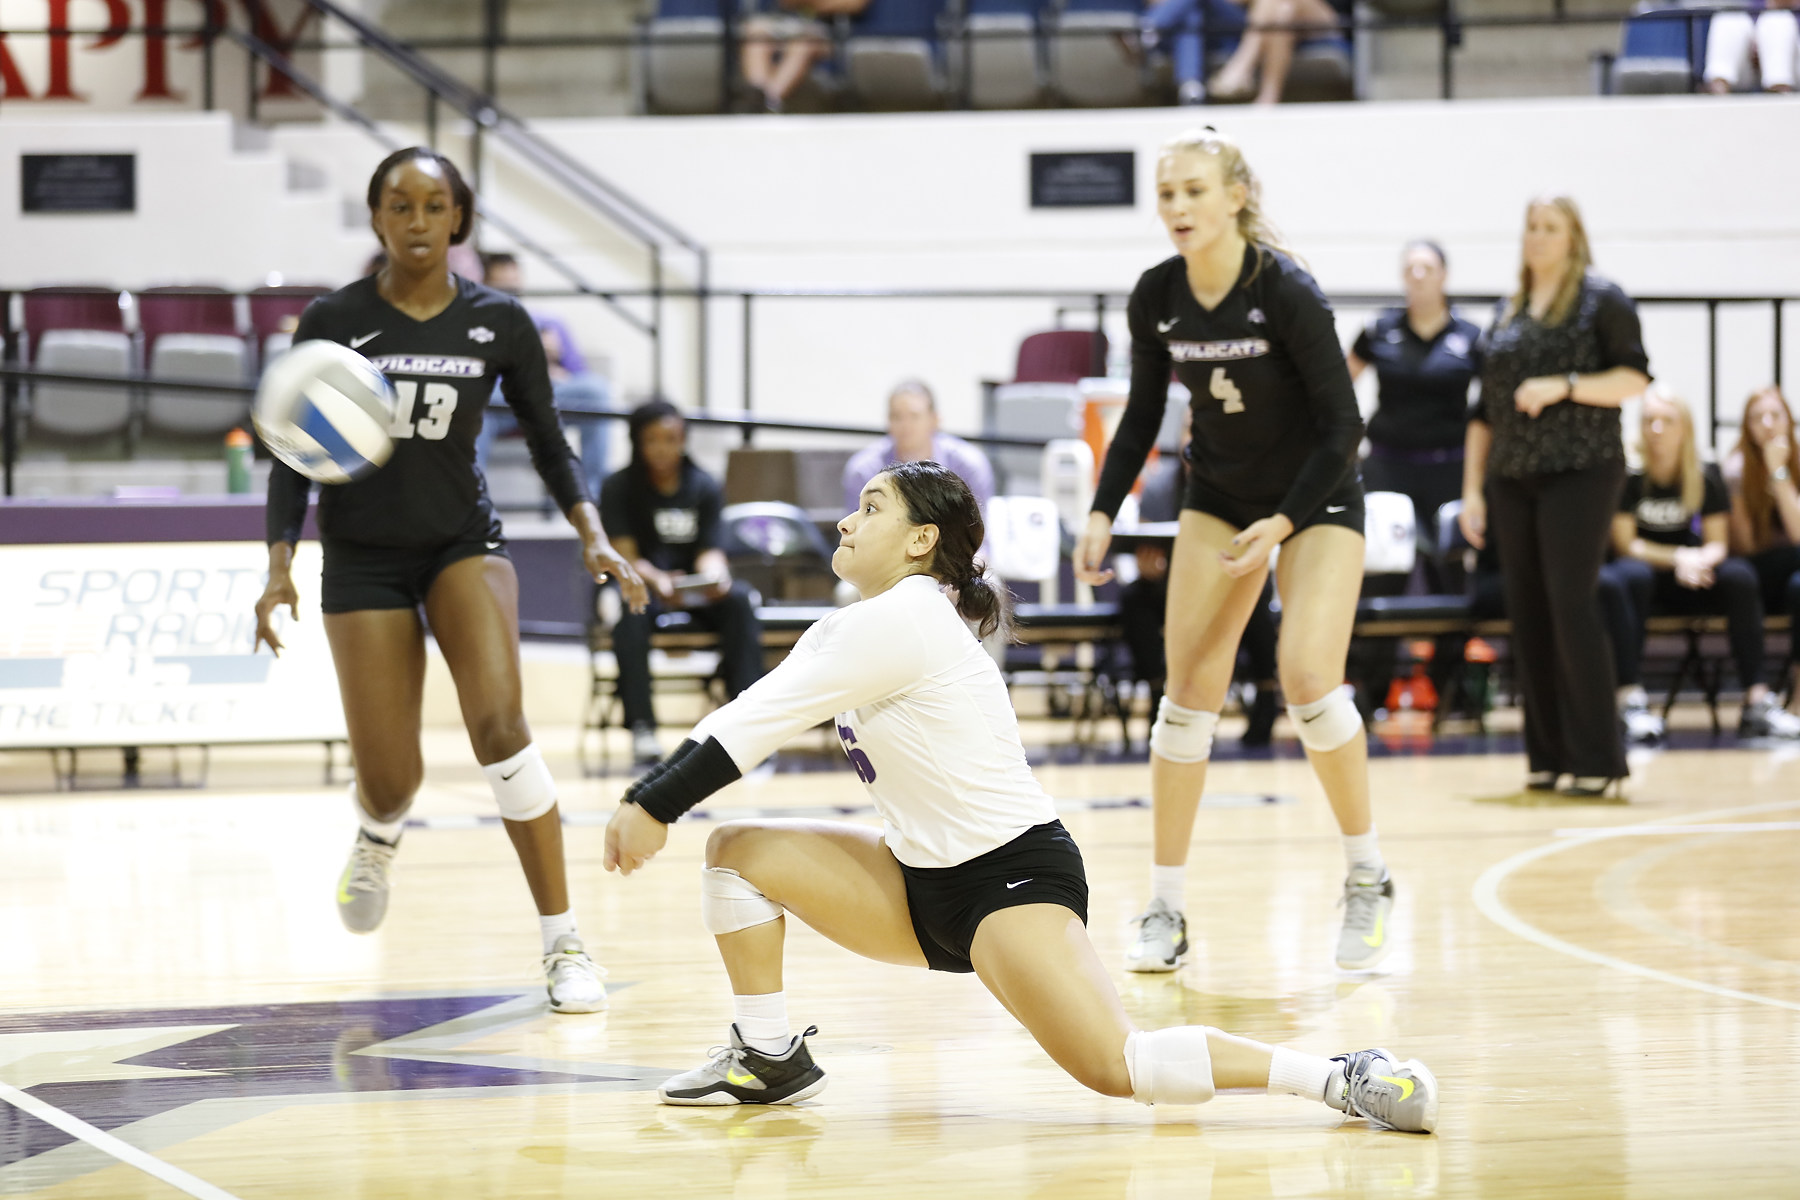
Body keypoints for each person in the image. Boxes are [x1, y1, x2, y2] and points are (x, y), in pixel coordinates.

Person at [601, 461, 1438, 1132]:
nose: (846, 522)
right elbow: (757, 715)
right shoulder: (862, 621)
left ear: (921, 539)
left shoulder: (905, 620)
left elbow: (752, 723)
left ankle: (1339, 1076)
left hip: (1011, 878)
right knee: (738, 856)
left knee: (1121, 1067)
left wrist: (653, 802)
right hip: (919, 878)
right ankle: (770, 1053)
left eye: (870, 508)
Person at [254, 147, 647, 1013]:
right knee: (394, 776)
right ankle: (378, 830)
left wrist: (594, 536)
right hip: (361, 555)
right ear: (377, 219)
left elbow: (549, 440)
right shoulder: (332, 318)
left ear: (458, 219)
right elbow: (290, 458)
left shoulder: (498, 320)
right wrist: (279, 565)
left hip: (462, 543)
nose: (419, 221)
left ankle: (564, 941)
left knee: (502, 726)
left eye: (435, 206)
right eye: (401, 206)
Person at [1070, 128, 1388, 976]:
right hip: (1219, 495)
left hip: (1315, 498)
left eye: (1194, 191)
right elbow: (1142, 415)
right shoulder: (1156, 296)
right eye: (1167, 193)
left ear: (1236, 196)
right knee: (1188, 697)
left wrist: (1284, 524)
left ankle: (1368, 877)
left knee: (1309, 679)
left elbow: (1344, 428)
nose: (1178, 207)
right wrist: (1103, 510)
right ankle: (1165, 908)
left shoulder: (1285, 290)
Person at [1460, 196, 1652, 797]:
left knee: (1571, 601)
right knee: (1529, 608)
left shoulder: (1602, 298)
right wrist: (1472, 490)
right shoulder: (1505, 310)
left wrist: (1564, 385)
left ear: (1573, 238)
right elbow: (1482, 412)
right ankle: (1546, 756)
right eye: (1531, 228)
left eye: (1551, 228)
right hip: (1512, 477)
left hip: (1582, 469)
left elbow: (1634, 378)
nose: (1538, 237)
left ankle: (1598, 758)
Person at [1597, 390, 1800, 742]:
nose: (1656, 429)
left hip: (1693, 573)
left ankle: (1756, 700)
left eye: (1666, 421)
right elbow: (1626, 544)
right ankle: (1630, 699)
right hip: (1651, 570)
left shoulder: (1704, 473)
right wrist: (1678, 558)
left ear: (1685, 428)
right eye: (1649, 421)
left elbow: (1718, 543)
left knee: (1739, 576)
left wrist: (1698, 559)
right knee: (1631, 577)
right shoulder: (1629, 474)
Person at [600, 399, 765, 766]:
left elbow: (711, 549)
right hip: (645, 585)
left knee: (738, 600)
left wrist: (713, 576)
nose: (663, 448)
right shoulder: (619, 487)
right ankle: (642, 726)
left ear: (683, 440)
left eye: (671, 438)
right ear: (637, 443)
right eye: (652, 439)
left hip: (693, 589)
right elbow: (624, 554)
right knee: (631, 604)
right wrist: (658, 580)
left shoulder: (704, 486)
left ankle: (747, 725)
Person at [1347, 240, 1483, 583]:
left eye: (1427, 268)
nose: (1418, 276)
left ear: (1444, 276)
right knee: (1385, 570)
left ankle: (1454, 640)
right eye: (1411, 269)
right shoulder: (1380, 329)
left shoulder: (1470, 336)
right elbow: (1339, 383)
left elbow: (1493, 403)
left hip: (1449, 469)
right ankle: (1381, 639)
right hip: (1388, 468)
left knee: (1449, 571)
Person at [472, 252, 611, 503]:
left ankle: (592, 495)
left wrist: (551, 363)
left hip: (544, 394)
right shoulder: (475, 323)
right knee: (479, 402)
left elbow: (578, 375)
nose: (510, 291)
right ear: (486, 284)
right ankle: (472, 496)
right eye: (502, 285)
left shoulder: (549, 322)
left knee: (597, 392)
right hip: (501, 401)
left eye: (514, 284)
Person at [1725, 385, 1800, 707]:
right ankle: (1759, 696)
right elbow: (1747, 546)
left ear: (1789, 421)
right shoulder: (1735, 470)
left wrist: (1781, 475)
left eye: (1775, 415)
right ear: (1747, 426)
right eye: (1758, 417)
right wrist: (1773, 471)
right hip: (1756, 575)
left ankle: (1798, 693)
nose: (1767, 424)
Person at [841, 380, 995, 516]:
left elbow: (979, 537)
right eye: (896, 417)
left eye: (914, 416)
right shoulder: (864, 470)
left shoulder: (969, 466)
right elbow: (858, 536)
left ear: (934, 420)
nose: (905, 425)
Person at [1206, 0, 1350, 105]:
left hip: (1321, 27)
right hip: (1275, 20)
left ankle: (1243, 66)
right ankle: (1268, 99)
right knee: (1283, 10)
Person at [741, 0, 867, 113]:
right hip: (784, 23)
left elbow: (853, 4)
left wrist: (811, 4)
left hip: (827, 31)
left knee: (802, 44)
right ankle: (756, 96)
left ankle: (767, 103)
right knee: (756, 33)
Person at [1704, 0, 1797, 93]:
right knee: (1729, 17)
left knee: (1778, 19)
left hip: (1793, 64)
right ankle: (1719, 87)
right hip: (1746, 64)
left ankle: (1779, 88)